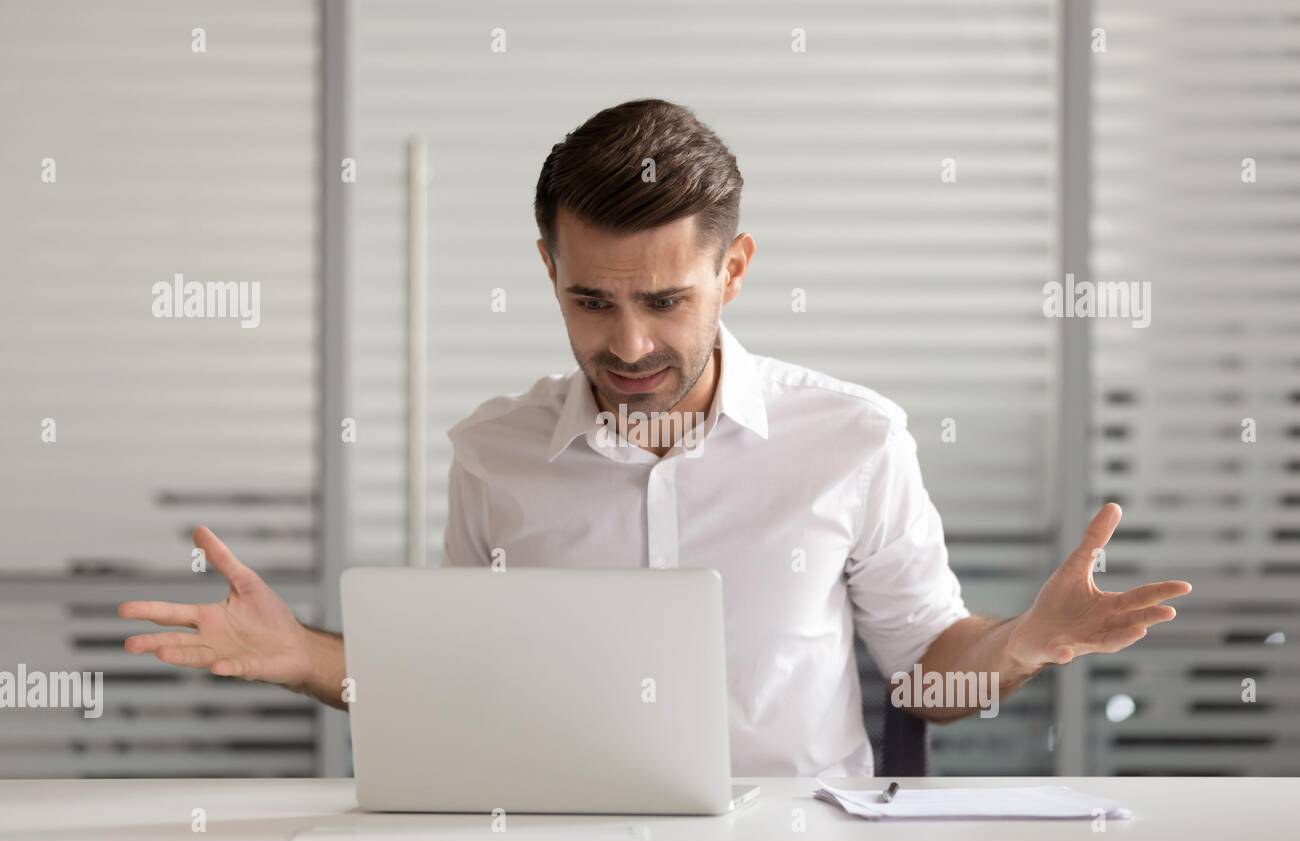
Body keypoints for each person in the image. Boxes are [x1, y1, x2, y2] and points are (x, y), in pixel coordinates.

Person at [119, 99, 1190, 776]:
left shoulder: (853, 439)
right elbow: (463, 688)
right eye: (590, 301)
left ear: (732, 271)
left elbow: (926, 677)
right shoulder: (494, 454)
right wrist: (305, 656)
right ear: (548, 270)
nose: (628, 343)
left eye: (666, 301)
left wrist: (1025, 642)